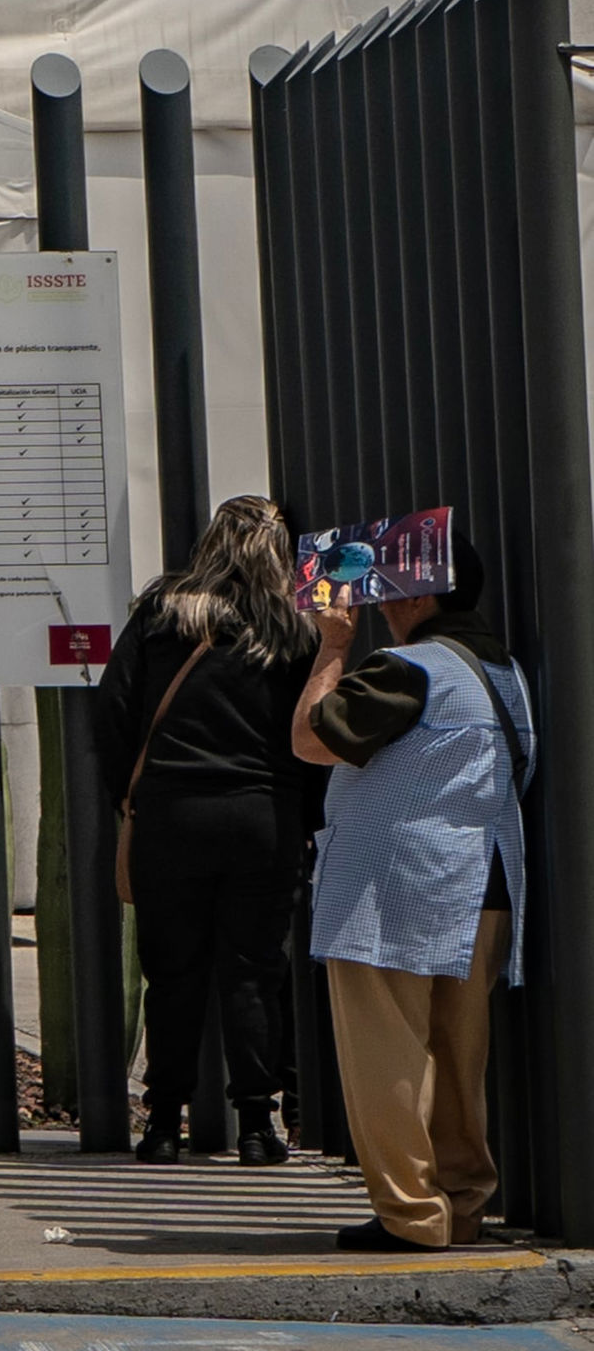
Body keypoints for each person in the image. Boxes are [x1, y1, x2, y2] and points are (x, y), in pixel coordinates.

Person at [294, 540, 534, 1252]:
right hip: (483, 883)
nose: (379, 603)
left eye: (389, 589)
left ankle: (409, 1214)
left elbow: (313, 739)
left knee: (387, 1054)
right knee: (460, 1060)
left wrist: (332, 646)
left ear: (418, 596)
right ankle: (460, 1205)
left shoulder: (410, 667)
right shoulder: (505, 673)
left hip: (391, 886)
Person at [93, 495, 321, 1165]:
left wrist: (130, 795)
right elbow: (313, 728)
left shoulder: (163, 612)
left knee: (172, 974)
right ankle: (257, 1125)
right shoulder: (295, 629)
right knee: (253, 973)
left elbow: (113, 711)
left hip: (172, 813)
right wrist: (306, 814)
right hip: (263, 815)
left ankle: (163, 1123)